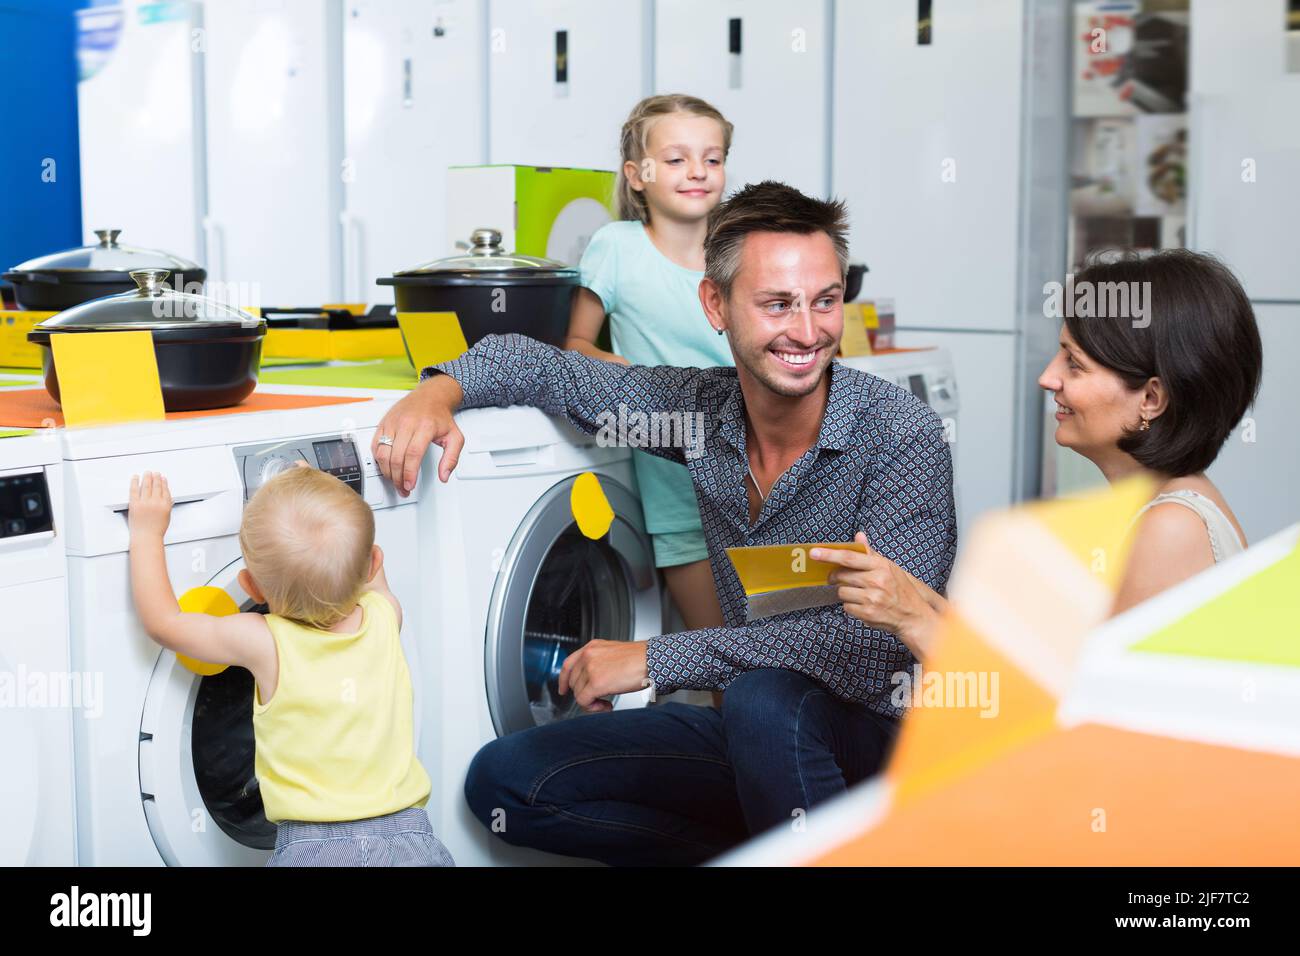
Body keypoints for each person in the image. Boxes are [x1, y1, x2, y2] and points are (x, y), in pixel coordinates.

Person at [372, 181, 956, 865]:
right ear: (715, 304)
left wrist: (654, 658)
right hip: (759, 738)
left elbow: (867, 650)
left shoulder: (898, 434)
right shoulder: (700, 415)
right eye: (776, 304)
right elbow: (544, 369)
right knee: (508, 783)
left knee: (765, 699)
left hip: (883, 747)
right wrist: (438, 391)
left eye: (825, 301)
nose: (807, 330)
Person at [817, 248, 1262, 652]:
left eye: (1074, 363)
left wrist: (912, 622)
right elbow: (1048, 665)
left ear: (1151, 398)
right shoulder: (1164, 504)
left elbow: (1073, 721)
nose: (1048, 378)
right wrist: (913, 598)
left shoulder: (1171, 528)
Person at [127, 467, 453, 867]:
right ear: (373, 564)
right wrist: (322, 480)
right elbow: (363, 558)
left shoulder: (262, 641)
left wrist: (147, 534)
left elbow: (165, 624)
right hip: (410, 842)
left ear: (251, 587)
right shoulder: (386, 614)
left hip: (316, 851)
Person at [566, 93, 735, 634]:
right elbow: (575, 344)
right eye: (677, 159)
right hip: (675, 488)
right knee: (720, 654)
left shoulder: (739, 251)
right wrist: (616, 369)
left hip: (755, 475)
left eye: (712, 158)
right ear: (638, 174)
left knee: (772, 652)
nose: (699, 172)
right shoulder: (617, 247)